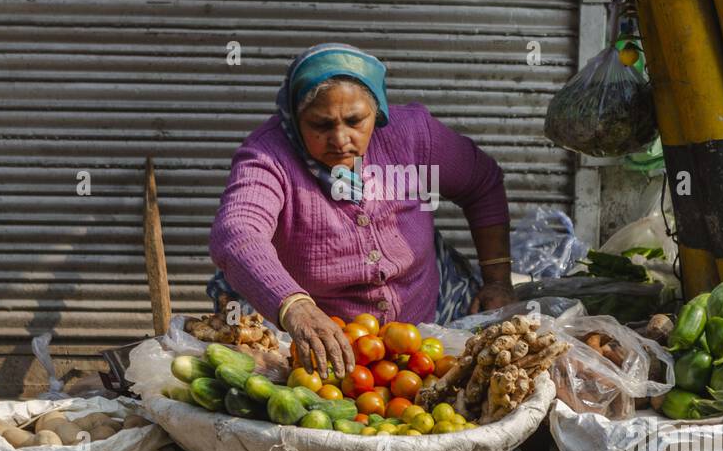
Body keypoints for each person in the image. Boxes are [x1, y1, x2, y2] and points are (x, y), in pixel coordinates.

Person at [208, 43, 515, 378]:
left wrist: (497, 279)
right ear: (296, 118)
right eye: (320, 125)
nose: (340, 139)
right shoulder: (268, 157)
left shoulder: (412, 134)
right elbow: (238, 234)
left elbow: (482, 182)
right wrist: (295, 306)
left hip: (431, 317)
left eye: (355, 121)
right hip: (321, 342)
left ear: (378, 111)